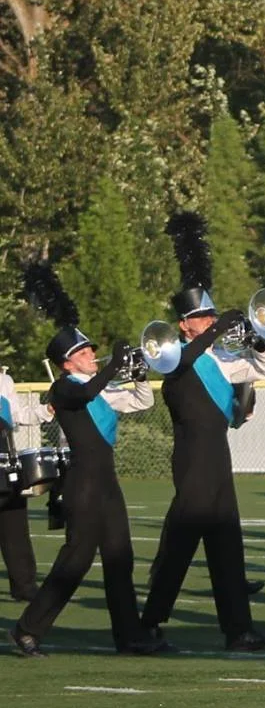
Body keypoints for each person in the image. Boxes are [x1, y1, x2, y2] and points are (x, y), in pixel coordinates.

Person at [141, 212, 265, 652]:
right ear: (185, 324)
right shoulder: (172, 357)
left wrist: (255, 340)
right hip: (192, 457)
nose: (211, 321)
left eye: (212, 315)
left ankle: (238, 630)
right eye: (203, 317)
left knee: (226, 544)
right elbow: (178, 366)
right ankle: (148, 624)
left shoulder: (220, 358)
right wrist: (216, 331)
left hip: (217, 455)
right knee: (182, 543)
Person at [12, 263, 163, 656]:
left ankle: (128, 636)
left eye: (91, 349)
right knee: (75, 561)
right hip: (82, 484)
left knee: (120, 558)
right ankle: (28, 628)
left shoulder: (102, 385)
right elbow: (84, 396)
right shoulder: (61, 388)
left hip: (107, 483)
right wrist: (113, 365)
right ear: (67, 361)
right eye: (84, 351)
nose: (92, 354)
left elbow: (141, 401)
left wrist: (138, 374)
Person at [1, 365, 52, 602]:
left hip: (4, 460)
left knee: (14, 524)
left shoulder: (4, 380)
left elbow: (18, 414)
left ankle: (24, 585)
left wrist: (47, 409)